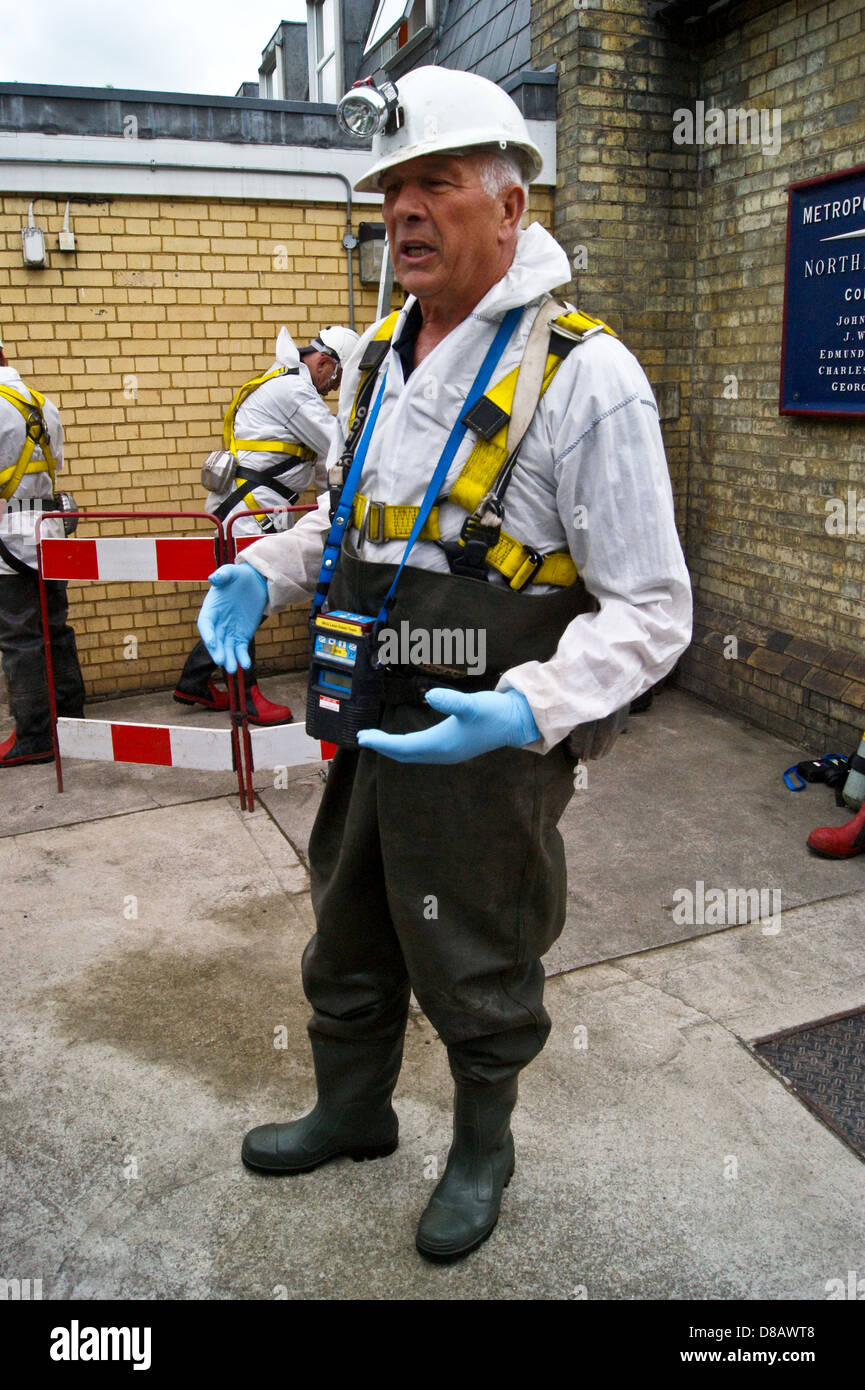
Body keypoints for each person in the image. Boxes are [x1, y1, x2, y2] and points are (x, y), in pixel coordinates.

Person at [197, 66, 692, 1261]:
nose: (403, 211)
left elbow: (654, 610)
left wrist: (524, 709)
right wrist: (270, 566)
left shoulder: (585, 375)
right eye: (390, 188)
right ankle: (355, 1109)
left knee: (479, 941)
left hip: (490, 722)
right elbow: (356, 525)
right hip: (369, 702)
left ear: (511, 203)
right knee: (349, 914)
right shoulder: (375, 354)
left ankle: (483, 1147)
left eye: (436, 182)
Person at [174, 325, 357, 723]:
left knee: (248, 596)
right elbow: (339, 450)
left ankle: (194, 680)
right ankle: (245, 700)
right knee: (249, 602)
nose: (333, 387)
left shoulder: (283, 383)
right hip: (249, 513)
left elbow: (325, 466)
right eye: (337, 377)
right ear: (324, 363)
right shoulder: (295, 393)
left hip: (250, 511)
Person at [0, 335, 84, 767]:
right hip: (47, 533)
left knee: (20, 637)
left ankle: (34, 735)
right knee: (55, 629)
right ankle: (71, 718)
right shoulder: (42, 403)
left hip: (7, 540)